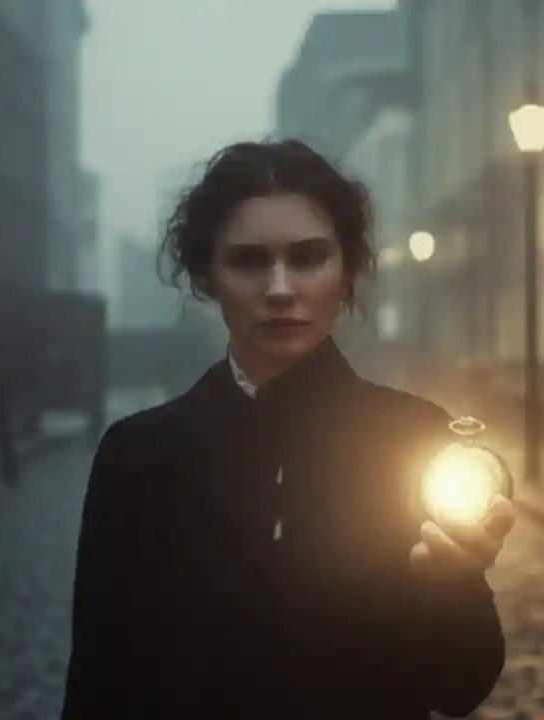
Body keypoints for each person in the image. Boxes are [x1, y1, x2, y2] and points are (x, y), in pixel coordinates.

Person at [61, 139, 515, 718]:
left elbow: (459, 687)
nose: (280, 289)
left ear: (347, 271)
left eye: (307, 258)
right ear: (206, 276)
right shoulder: (138, 456)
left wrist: (457, 581)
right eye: (249, 260)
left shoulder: (421, 443)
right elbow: (99, 683)